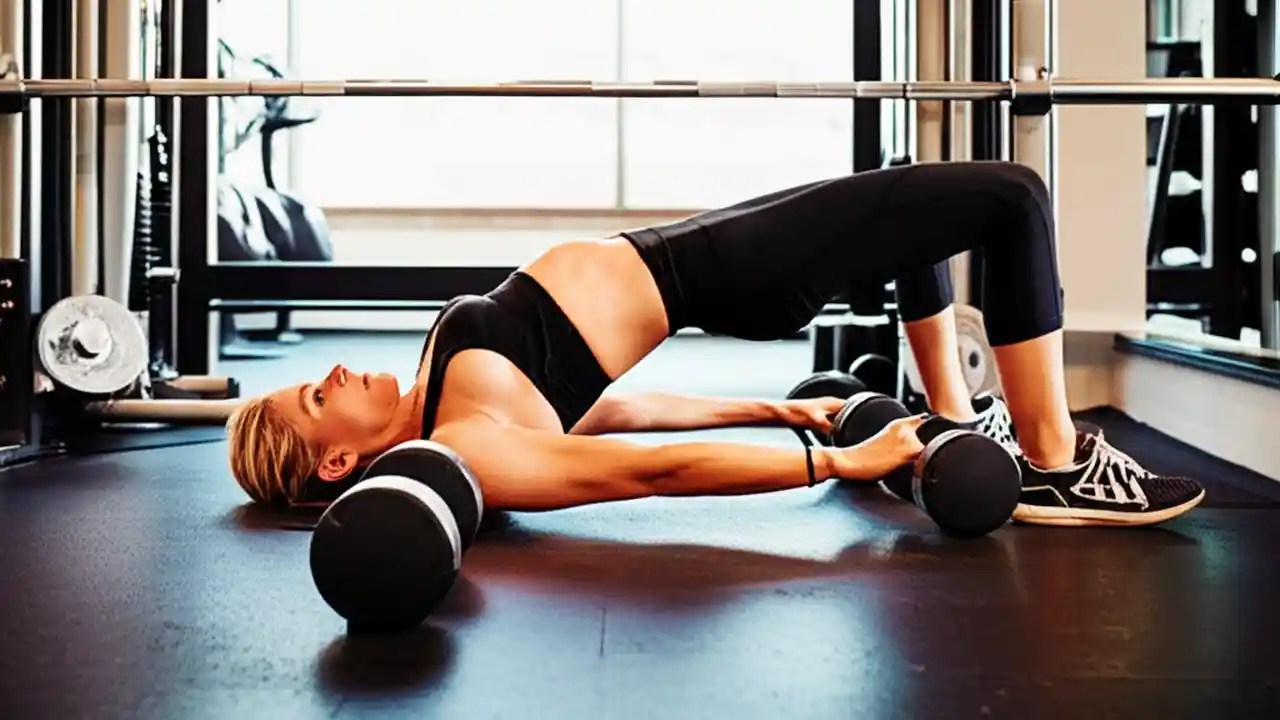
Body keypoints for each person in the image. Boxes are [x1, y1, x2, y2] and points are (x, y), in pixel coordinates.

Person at [226, 161, 1205, 528]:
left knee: (923, 194)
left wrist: (779, 410)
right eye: (316, 400)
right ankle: (1050, 460)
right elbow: (646, 475)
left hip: (695, 249)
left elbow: (613, 412)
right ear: (339, 461)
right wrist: (832, 459)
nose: (330, 373)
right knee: (1007, 198)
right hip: (725, 273)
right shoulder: (470, 445)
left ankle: (952, 412)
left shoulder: (441, 397)